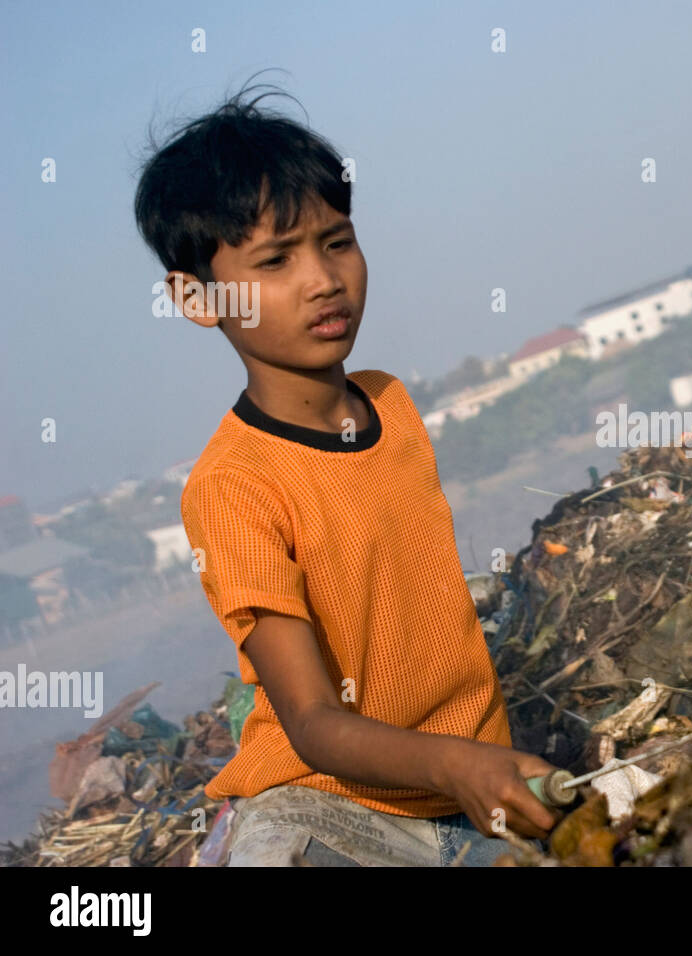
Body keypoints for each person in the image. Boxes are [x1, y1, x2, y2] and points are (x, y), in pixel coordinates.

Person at [135, 78, 561, 866]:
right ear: (194, 297)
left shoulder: (391, 406)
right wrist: (453, 765)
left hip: (472, 785)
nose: (323, 280)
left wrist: (474, 763)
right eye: (275, 260)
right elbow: (311, 723)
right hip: (334, 805)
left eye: (337, 242)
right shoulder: (231, 488)